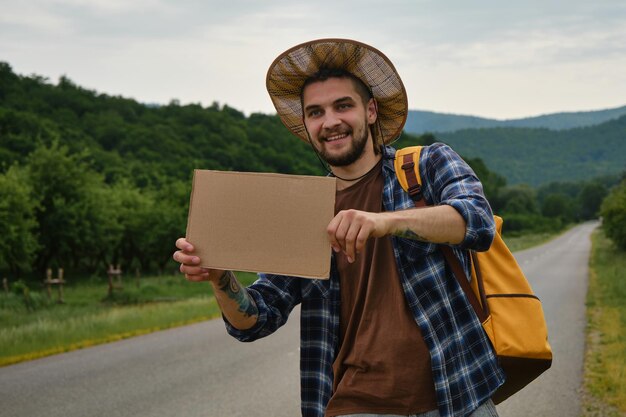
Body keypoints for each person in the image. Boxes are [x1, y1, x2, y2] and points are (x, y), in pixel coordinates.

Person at [173, 38, 504, 417]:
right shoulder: (302, 210)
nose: (330, 121)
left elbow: (477, 223)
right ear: (308, 125)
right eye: (315, 112)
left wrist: (384, 222)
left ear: (371, 110)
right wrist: (220, 277)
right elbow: (255, 319)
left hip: (457, 394)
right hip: (352, 405)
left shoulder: (426, 166)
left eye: (342, 105)